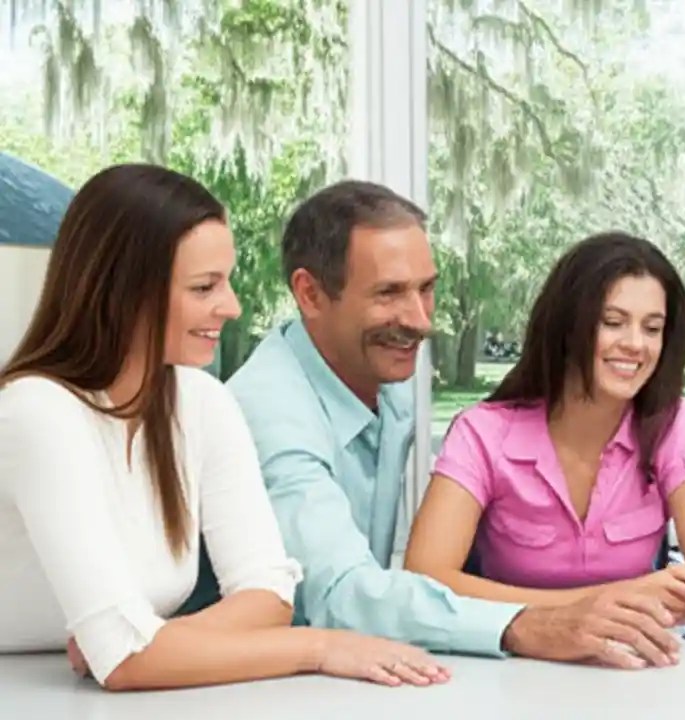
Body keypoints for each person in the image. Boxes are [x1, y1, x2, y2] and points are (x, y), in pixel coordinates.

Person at [0, 164, 446, 691]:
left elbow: (269, 594)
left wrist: (157, 644)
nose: (231, 306)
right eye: (204, 286)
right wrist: (321, 647)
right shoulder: (36, 412)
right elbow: (123, 661)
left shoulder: (202, 402)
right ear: (126, 291)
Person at [227, 182, 685, 670]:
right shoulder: (271, 413)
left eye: (426, 288)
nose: (420, 320)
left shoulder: (385, 372)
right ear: (310, 294)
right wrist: (523, 624)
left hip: (346, 669)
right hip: (249, 684)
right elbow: (339, 593)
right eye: (389, 293)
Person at [403, 232, 685, 614]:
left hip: (634, 662)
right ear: (566, 327)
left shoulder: (676, 424)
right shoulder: (481, 433)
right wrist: (595, 607)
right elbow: (424, 580)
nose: (635, 344)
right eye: (613, 322)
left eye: (652, 328)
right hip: (510, 664)